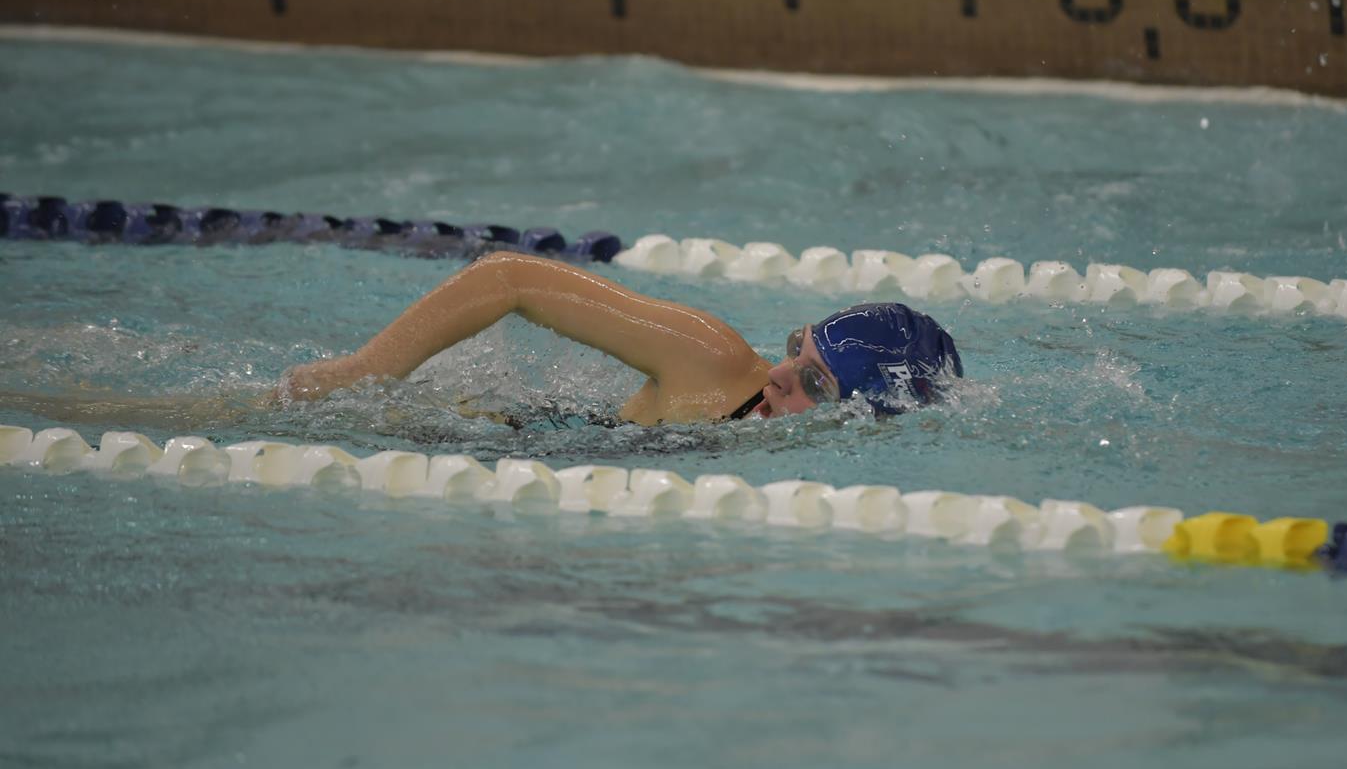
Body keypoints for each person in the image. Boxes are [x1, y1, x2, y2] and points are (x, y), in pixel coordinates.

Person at [281, 251, 962, 425]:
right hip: (452, 432)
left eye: (814, 382)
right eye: (794, 348)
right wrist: (366, 369)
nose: (780, 376)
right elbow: (509, 277)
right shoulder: (712, 360)